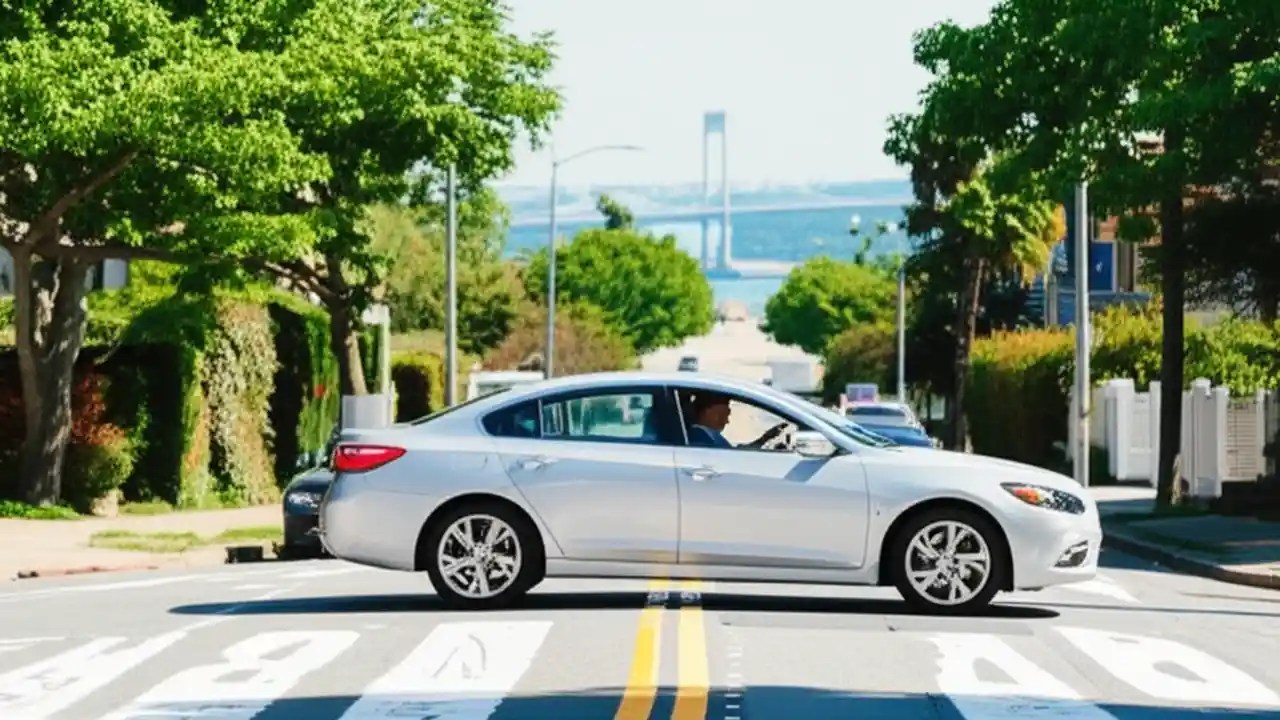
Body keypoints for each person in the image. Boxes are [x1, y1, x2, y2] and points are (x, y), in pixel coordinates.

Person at [685, 391, 788, 450]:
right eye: (722, 415)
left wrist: (764, 439)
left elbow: (734, 453)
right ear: (708, 412)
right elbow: (734, 458)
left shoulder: (706, 436)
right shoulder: (701, 435)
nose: (726, 421)